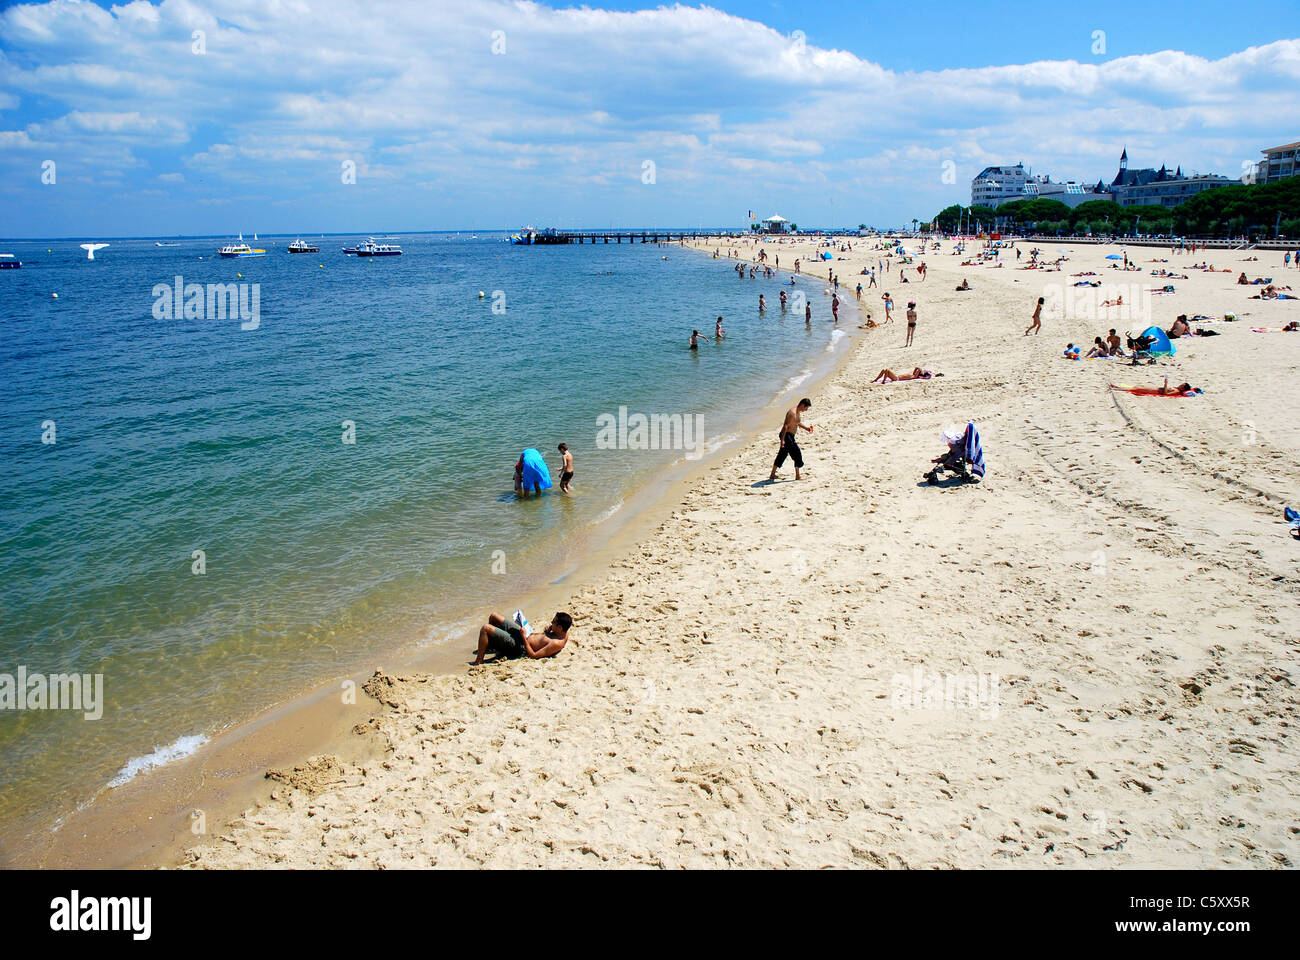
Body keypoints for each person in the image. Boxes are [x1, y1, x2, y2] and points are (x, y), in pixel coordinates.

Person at [474, 611, 573, 665]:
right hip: (526, 635)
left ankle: (479, 661)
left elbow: (534, 655)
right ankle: (490, 645)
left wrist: (523, 637)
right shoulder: (563, 631)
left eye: (553, 622)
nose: (551, 623)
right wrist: (549, 629)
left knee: (485, 628)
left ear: (560, 628)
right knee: (494, 616)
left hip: (520, 647)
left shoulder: (556, 644)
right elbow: (551, 633)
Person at [769, 398, 813, 482]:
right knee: (797, 453)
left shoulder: (797, 412)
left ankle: (772, 474)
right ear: (803, 405)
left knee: (782, 454)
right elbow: (785, 426)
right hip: (786, 436)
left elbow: (797, 423)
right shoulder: (792, 413)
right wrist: (782, 440)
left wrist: (806, 428)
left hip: (790, 436)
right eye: (806, 408)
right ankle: (797, 476)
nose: (806, 410)